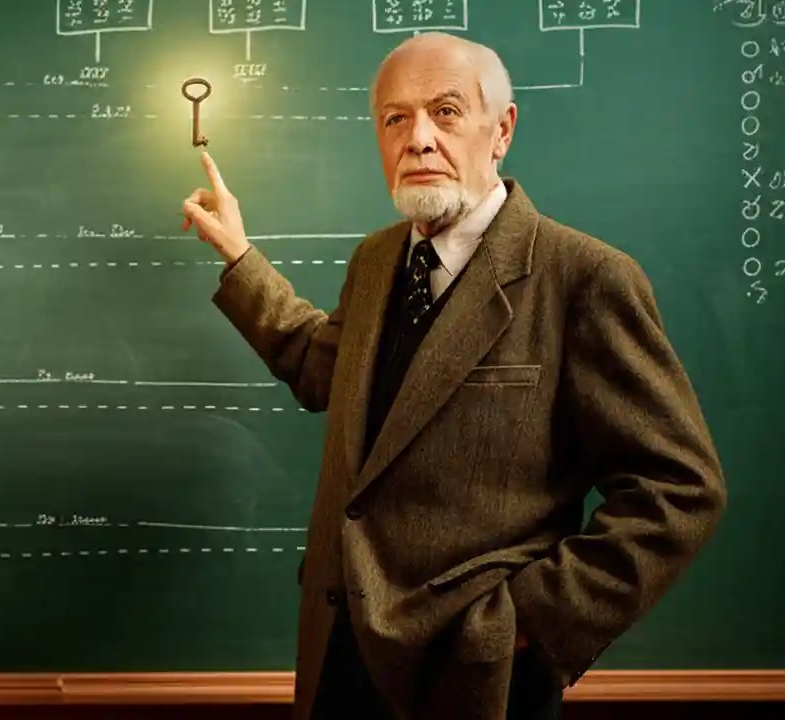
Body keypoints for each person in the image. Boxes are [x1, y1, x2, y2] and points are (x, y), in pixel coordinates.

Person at [179, 32, 728, 720]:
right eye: (395, 119)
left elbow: (679, 489)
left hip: (477, 678)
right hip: (338, 660)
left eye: (445, 112)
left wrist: (521, 623)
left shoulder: (583, 278)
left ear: (501, 131)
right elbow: (324, 371)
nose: (418, 139)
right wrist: (239, 253)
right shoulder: (376, 261)